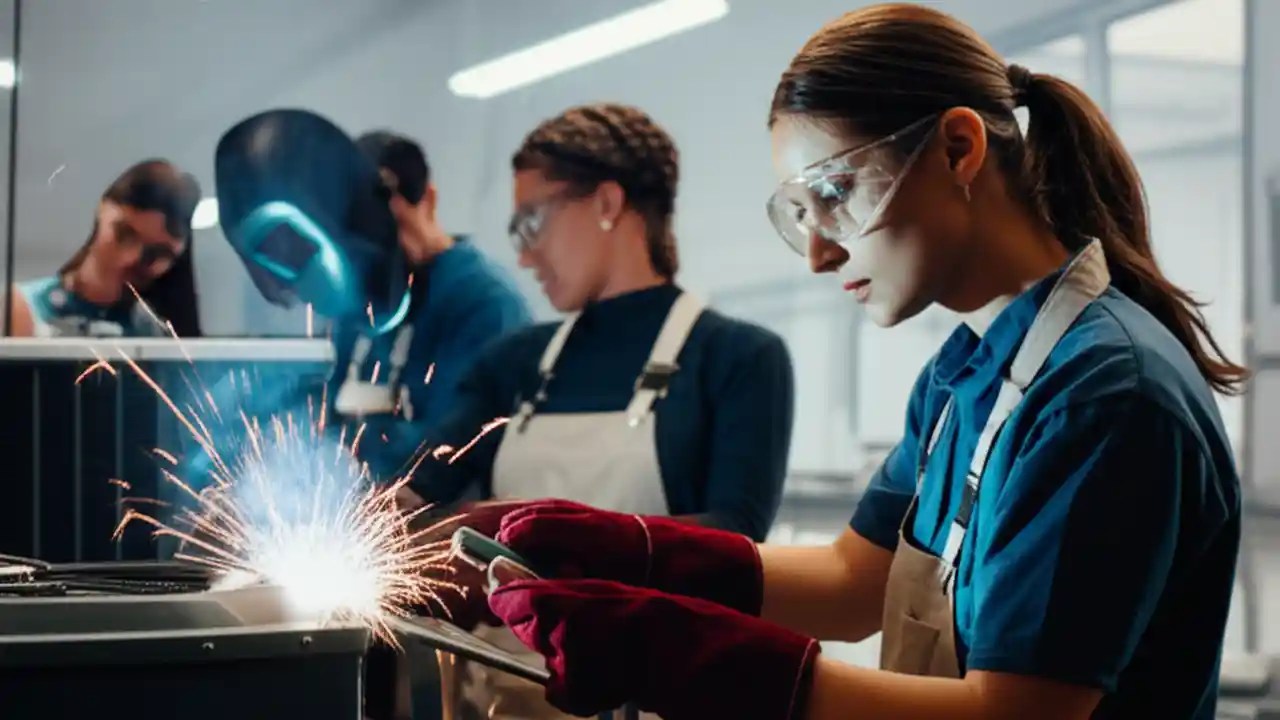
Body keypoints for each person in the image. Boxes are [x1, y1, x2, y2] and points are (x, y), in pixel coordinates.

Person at [453, 5, 1245, 720]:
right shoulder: (965, 373)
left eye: (836, 192)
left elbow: (1018, 714)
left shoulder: (1104, 393)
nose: (821, 253)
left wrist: (688, 655)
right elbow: (855, 580)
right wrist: (637, 554)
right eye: (800, 215)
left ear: (959, 148)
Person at [406, 103, 796, 719]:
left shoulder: (737, 356)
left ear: (607, 203)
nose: (526, 257)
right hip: (507, 696)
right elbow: (422, 486)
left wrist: (568, 553)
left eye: (531, 224)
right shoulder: (514, 363)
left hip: (658, 695)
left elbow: (737, 539)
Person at [210, 109, 530, 720]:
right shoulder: (361, 309)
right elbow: (324, 424)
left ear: (413, 203)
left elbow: (446, 457)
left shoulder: (484, 305)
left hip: (452, 597)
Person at [7, 159, 203, 338]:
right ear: (102, 211)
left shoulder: (156, 330)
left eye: (157, 253)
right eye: (123, 233)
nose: (129, 258)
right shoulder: (23, 308)